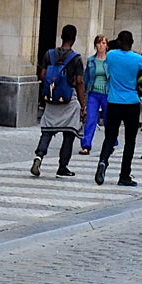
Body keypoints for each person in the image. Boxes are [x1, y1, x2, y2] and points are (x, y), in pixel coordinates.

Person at [93, 30, 142, 187]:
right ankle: (124, 175)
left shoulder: (111, 56)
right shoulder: (139, 60)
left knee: (110, 136)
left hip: (114, 101)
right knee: (130, 141)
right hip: (131, 102)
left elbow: (109, 49)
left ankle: (103, 161)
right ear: (132, 43)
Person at [32, 24, 86, 178]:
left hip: (51, 99)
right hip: (68, 100)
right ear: (74, 38)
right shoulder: (76, 58)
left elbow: (42, 75)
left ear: (61, 36)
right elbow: (80, 82)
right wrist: (83, 106)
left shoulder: (49, 54)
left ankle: (39, 156)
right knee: (69, 133)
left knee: (47, 131)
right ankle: (63, 166)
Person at [80, 34, 109, 154]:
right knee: (91, 119)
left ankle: (111, 142)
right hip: (93, 92)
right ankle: (86, 145)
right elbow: (86, 79)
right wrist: (84, 97)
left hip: (107, 93)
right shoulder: (91, 60)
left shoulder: (110, 60)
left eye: (103, 43)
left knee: (108, 119)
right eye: (99, 43)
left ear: (107, 46)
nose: (101, 46)